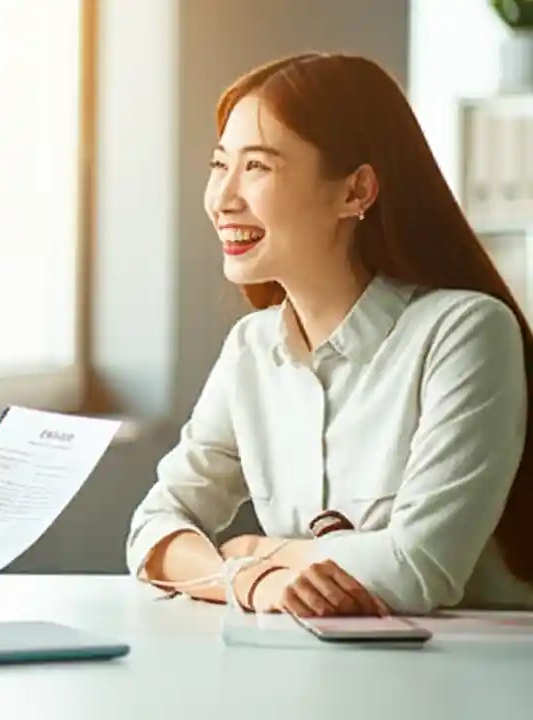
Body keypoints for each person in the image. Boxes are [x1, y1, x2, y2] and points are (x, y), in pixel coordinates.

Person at [125, 52, 533, 618]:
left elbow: (417, 570)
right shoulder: (250, 349)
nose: (222, 199)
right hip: (320, 656)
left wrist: (259, 550)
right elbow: (154, 530)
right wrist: (254, 582)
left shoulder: (466, 332)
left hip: (470, 662)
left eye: (257, 166)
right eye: (220, 165)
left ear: (355, 191)